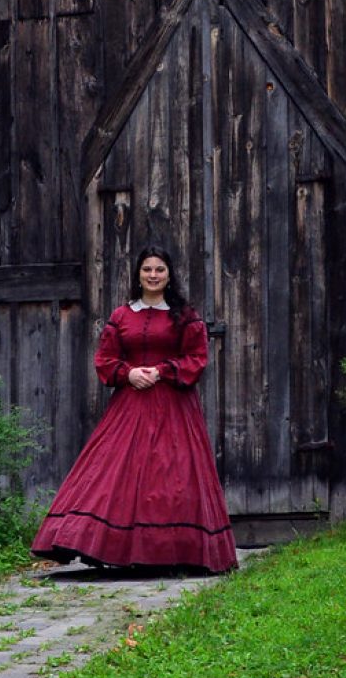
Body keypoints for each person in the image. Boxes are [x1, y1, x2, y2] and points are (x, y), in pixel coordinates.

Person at [30, 245, 236, 574]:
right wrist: (128, 373)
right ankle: (110, 548)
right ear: (138, 275)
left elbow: (197, 358)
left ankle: (175, 553)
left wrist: (162, 371)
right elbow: (105, 360)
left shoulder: (184, 316)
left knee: (173, 474)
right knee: (113, 473)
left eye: (159, 270)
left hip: (174, 406)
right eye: (147, 270)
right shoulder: (121, 315)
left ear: (169, 276)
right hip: (131, 404)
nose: (153, 275)